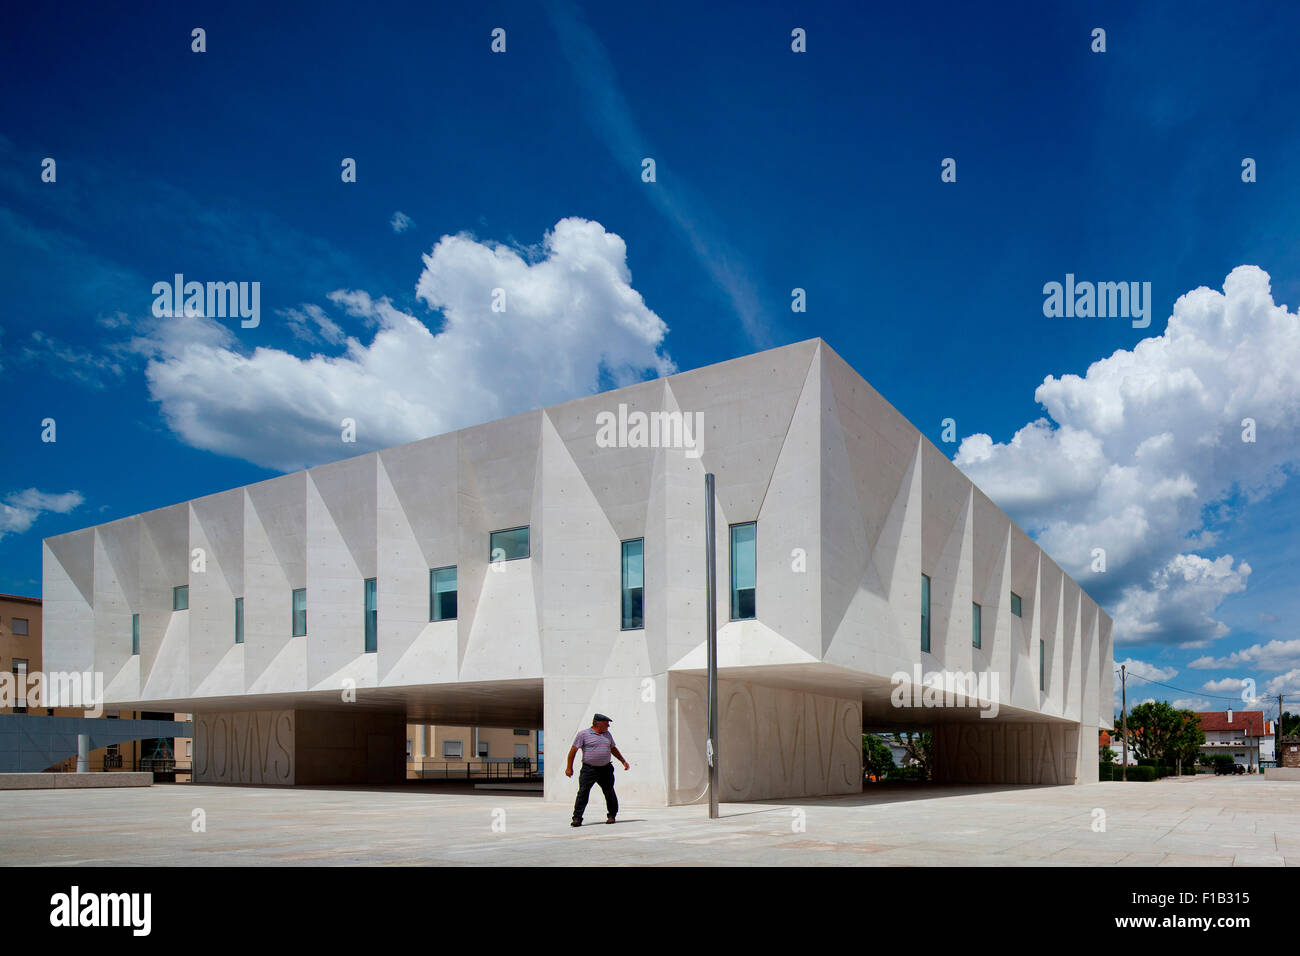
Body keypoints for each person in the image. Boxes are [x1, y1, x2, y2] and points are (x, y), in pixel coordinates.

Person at [566, 713, 629, 826]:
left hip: (606, 769)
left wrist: (622, 760)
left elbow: (613, 748)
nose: (608, 726)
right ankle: (577, 818)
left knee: (609, 792)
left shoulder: (607, 734)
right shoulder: (583, 734)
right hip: (589, 770)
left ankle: (611, 816)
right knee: (583, 793)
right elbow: (573, 751)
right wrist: (569, 768)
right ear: (597, 723)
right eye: (606, 723)